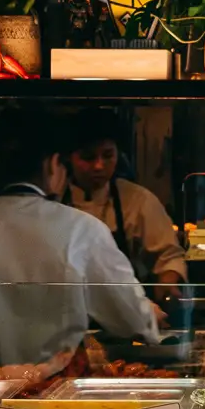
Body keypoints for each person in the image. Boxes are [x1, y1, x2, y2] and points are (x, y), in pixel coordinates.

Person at [0, 114, 159, 367]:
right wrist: (148, 316)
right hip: (52, 391)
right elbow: (130, 319)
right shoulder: (81, 228)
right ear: (53, 164)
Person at [67, 110, 188, 303]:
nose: (99, 166)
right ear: (69, 158)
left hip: (125, 312)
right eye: (88, 157)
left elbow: (168, 256)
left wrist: (168, 283)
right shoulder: (51, 202)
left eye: (108, 155)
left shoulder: (138, 200)